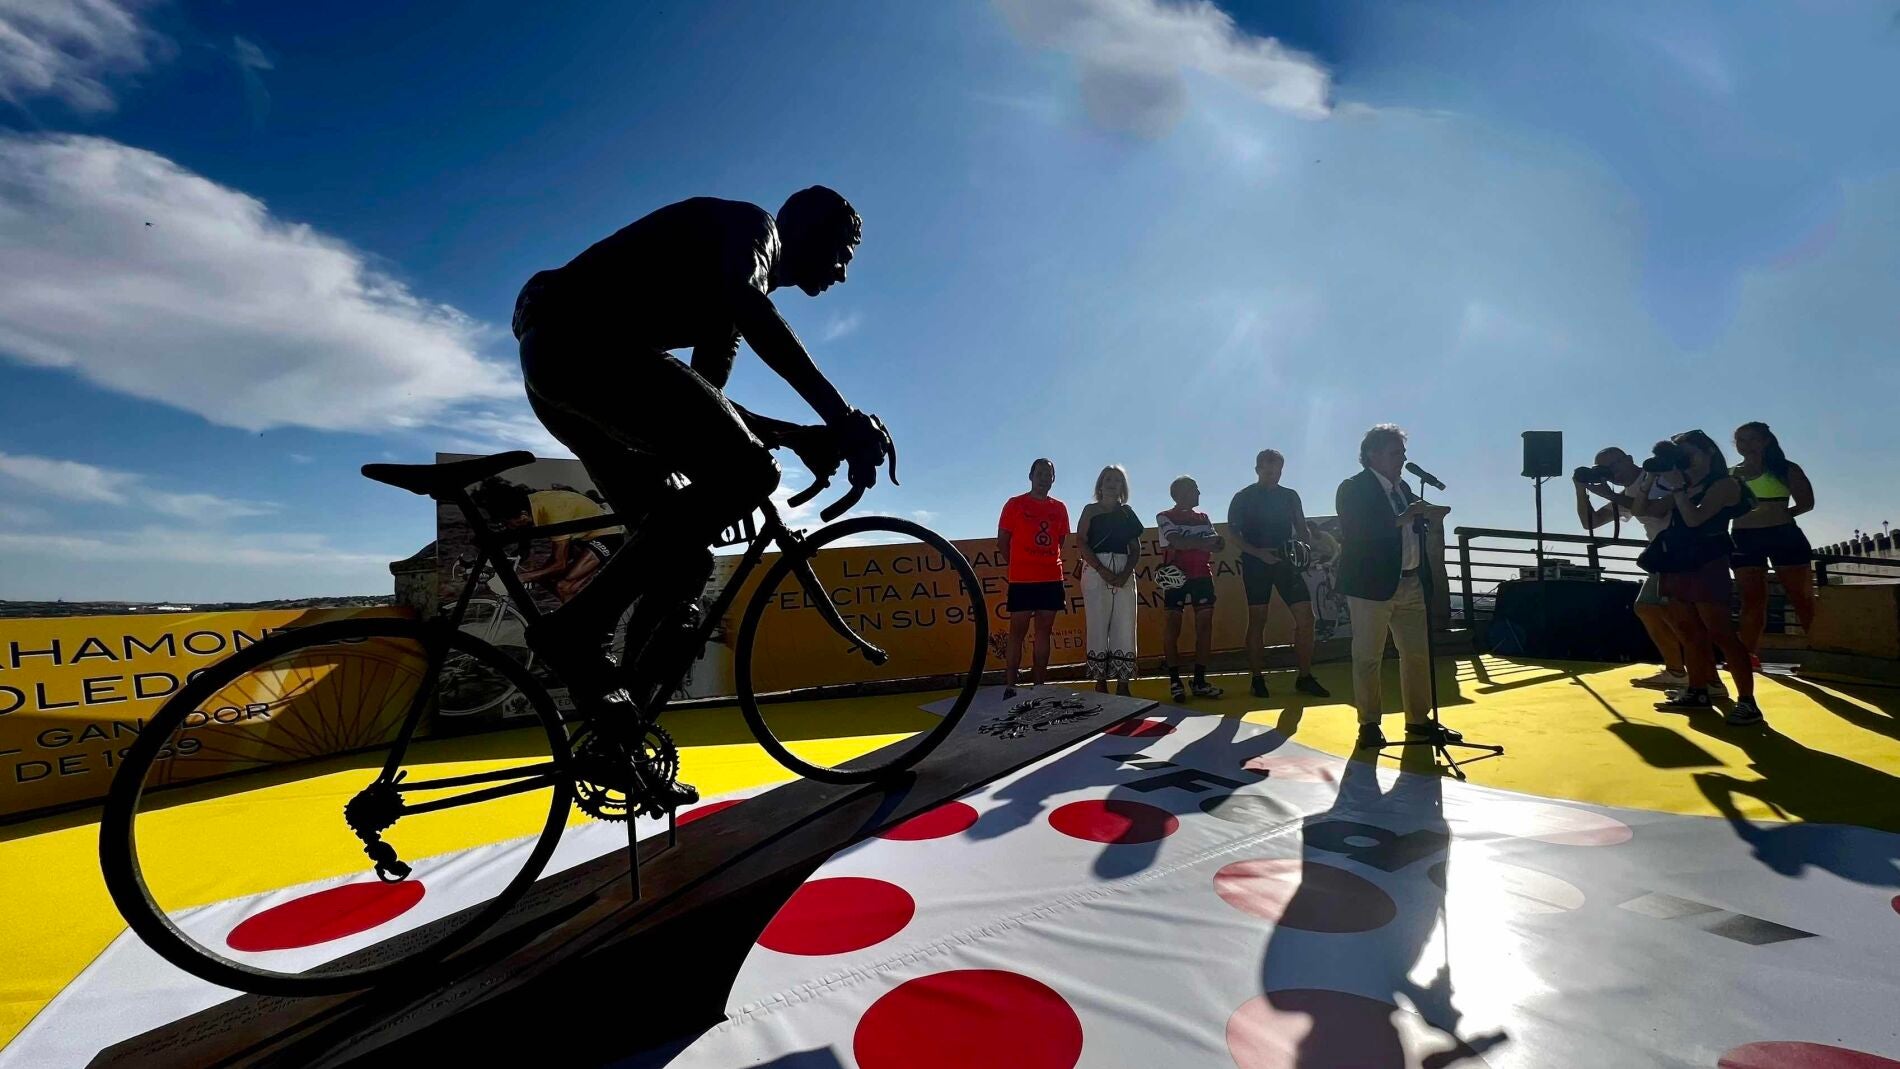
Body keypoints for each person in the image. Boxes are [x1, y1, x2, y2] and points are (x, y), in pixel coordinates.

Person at [509, 187, 889, 725]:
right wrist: (841, 418)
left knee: (682, 561)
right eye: (843, 253)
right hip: (582, 342)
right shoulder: (755, 231)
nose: (843, 273)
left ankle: (623, 730)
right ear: (810, 230)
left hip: (558, 364)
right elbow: (749, 311)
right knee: (752, 470)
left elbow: (704, 405)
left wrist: (798, 434)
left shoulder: (729, 305)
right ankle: (577, 631)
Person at [1336, 424, 1454, 750]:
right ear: (1372, 455)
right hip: (1370, 586)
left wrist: (1432, 515)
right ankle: (1369, 724)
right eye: (1395, 453)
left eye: (1402, 453)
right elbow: (1357, 531)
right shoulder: (1353, 488)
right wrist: (1403, 517)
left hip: (1411, 581)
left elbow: (1414, 521)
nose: (1402, 458)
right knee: (1368, 657)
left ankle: (1418, 720)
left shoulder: (1404, 489)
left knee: (1417, 655)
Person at [1648, 430, 1763, 725]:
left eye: (1688, 453)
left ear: (1709, 451)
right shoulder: (1686, 485)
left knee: (1721, 632)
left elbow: (1695, 519)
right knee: (1688, 631)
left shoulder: (1724, 484)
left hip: (1707, 561)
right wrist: (1656, 477)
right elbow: (1646, 509)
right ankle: (1697, 690)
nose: (1684, 459)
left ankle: (1748, 702)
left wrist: (1677, 488)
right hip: (1677, 561)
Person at [1575, 447, 1699, 692]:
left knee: (1676, 615)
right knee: (1648, 608)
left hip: (1683, 552)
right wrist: (1581, 490)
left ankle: (1698, 676)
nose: (1612, 474)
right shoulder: (1626, 493)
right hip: (1664, 557)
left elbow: (1656, 508)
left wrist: (1610, 494)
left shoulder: (1657, 477)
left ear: (1629, 459)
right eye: (1604, 471)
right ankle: (1679, 671)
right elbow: (1591, 522)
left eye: (1614, 466)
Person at [1228, 449, 1330, 700]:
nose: (1273, 475)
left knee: (1307, 618)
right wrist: (1259, 553)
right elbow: (1234, 535)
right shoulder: (1243, 497)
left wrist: (1305, 550)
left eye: (1277, 471)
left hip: (1287, 562)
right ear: (1257, 470)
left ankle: (1304, 676)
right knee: (1258, 619)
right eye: (1268, 471)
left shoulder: (1290, 496)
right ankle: (1257, 678)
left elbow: (1302, 528)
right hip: (1256, 563)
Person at [1731, 421, 1818, 661]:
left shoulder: (1786, 468)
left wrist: (1781, 514)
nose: (1746, 445)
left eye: (1752, 439)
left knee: (1801, 598)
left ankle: (1821, 652)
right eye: (1741, 440)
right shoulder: (1731, 474)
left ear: (1766, 441)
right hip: (1744, 538)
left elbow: (1806, 503)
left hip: (1784, 535)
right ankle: (1747, 658)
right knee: (1751, 601)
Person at [474, 480, 624, 603]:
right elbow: (523, 550)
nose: (507, 527)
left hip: (608, 536)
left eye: (507, 523)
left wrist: (521, 578)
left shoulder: (553, 513)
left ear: (523, 516)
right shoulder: (527, 507)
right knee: (545, 578)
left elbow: (559, 564)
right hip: (582, 538)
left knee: (563, 586)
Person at [998, 458, 1071, 696]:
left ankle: (1039, 684)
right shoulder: (1015, 504)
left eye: (1048, 474)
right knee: (1017, 632)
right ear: (1030, 476)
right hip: (1022, 580)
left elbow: (1060, 540)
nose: (1044, 478)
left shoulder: (1059, 508)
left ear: (1053, 479)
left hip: (1051, 578)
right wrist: (1020, 565)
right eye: (1039, 473)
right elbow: (1003, 542)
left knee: (1043, 632)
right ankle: (1011, 685)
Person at [1076, 465, 1143, 696]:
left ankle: (1123, 683)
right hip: (1096, 569)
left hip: (1123, 568)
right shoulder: (1090, 510)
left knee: (1125, 624)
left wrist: (1124, 573)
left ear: (1123, 486)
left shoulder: (1127, 513)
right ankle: (1100, 682)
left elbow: (1135, 548)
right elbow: (1081, 541)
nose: (1112, 484)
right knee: (1097, 624)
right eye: (1108, 479)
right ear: (1100, 484)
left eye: (1117, 480)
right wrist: (1100, 569)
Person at [1157, 476, 1224, 701]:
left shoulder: (1203, 517)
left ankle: (1199, 681)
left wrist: (1192, 542)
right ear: (1180, 493)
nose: (1199, 493)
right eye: (1195, 489)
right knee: (1173, 626)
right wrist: (1202, 542)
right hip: (1175, 576)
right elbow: (1177, 542)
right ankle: (1175, 681)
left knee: (1204, 627)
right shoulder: (1164, 516)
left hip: (1202, 575)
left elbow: (1219, 544)